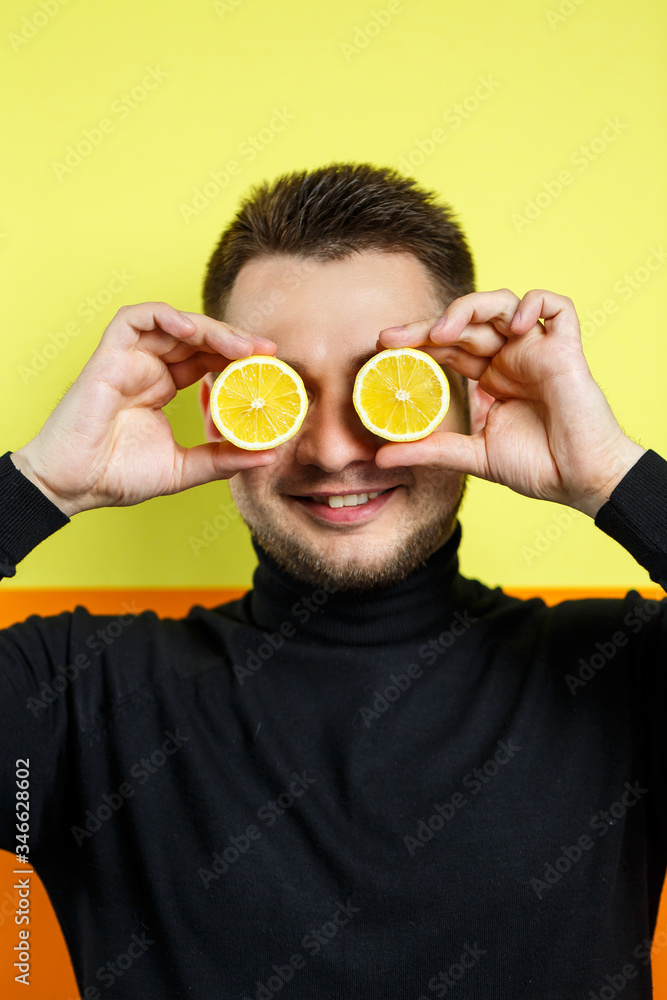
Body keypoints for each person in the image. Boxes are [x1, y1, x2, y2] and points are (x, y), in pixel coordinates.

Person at [1, 162, 665, 1000]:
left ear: (468, 394)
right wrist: (36, 489)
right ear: (217, 406)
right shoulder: (71, 696)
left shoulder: (622, 674)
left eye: (379, 383)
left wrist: (610, 476)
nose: (332, 449)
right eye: (280, 392)